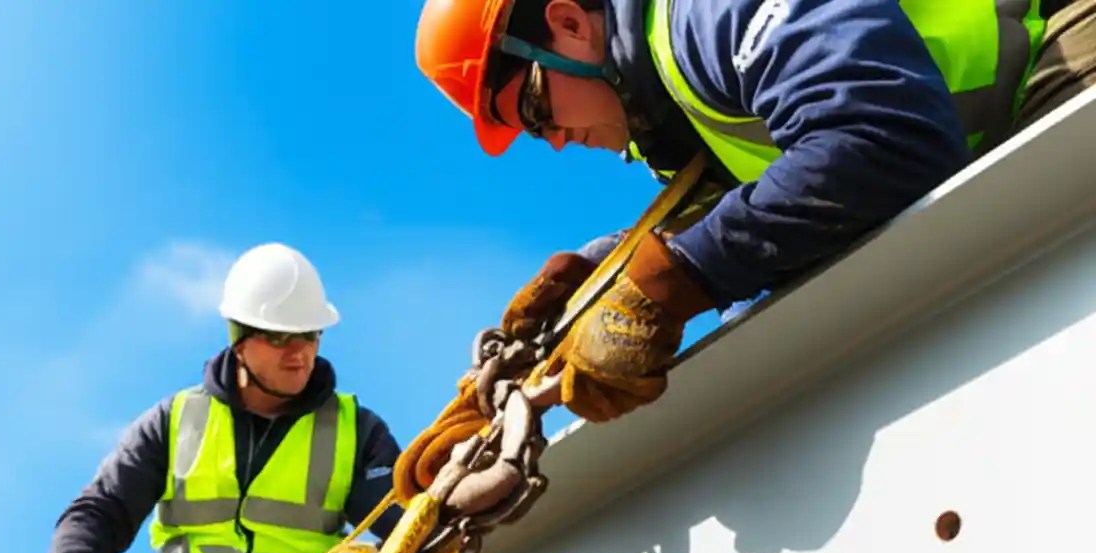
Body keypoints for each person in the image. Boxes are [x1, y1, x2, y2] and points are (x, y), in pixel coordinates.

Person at [415, 0, 1096, 423]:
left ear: (566, 22)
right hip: (985, 147)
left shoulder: (707, 13)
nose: (557, 140)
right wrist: (611, 269)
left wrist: (680, 277)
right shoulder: (671, 118)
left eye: (537, 110)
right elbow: (779, 189)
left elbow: (882, 133)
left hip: (1053, 47)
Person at [11, 243, 405, 553]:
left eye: (311, 334)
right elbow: (102, 508)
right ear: (239, 339)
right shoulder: (176, 419)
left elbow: (403, 515)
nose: (299, 353)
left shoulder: (355, 429)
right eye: (280, 337)